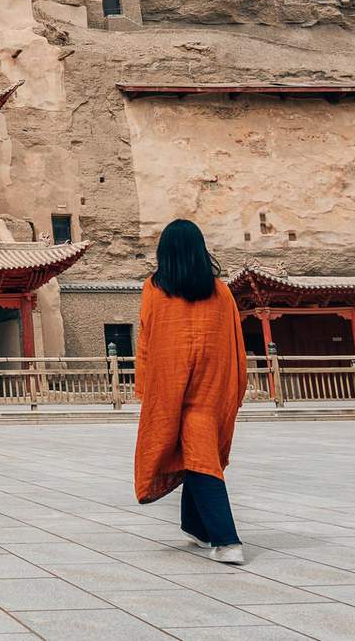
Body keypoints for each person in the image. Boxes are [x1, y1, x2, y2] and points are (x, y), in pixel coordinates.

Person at [134, 218, 248, 564]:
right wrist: (232, 388)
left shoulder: (154, 289)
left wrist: (146, 387)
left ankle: (228, 541)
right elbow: (234, 344)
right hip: (212, 392)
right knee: (195, 452)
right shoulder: (221, 291)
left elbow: (147, 342)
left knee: (201, 461)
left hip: (171, 390)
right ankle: (196, 527)